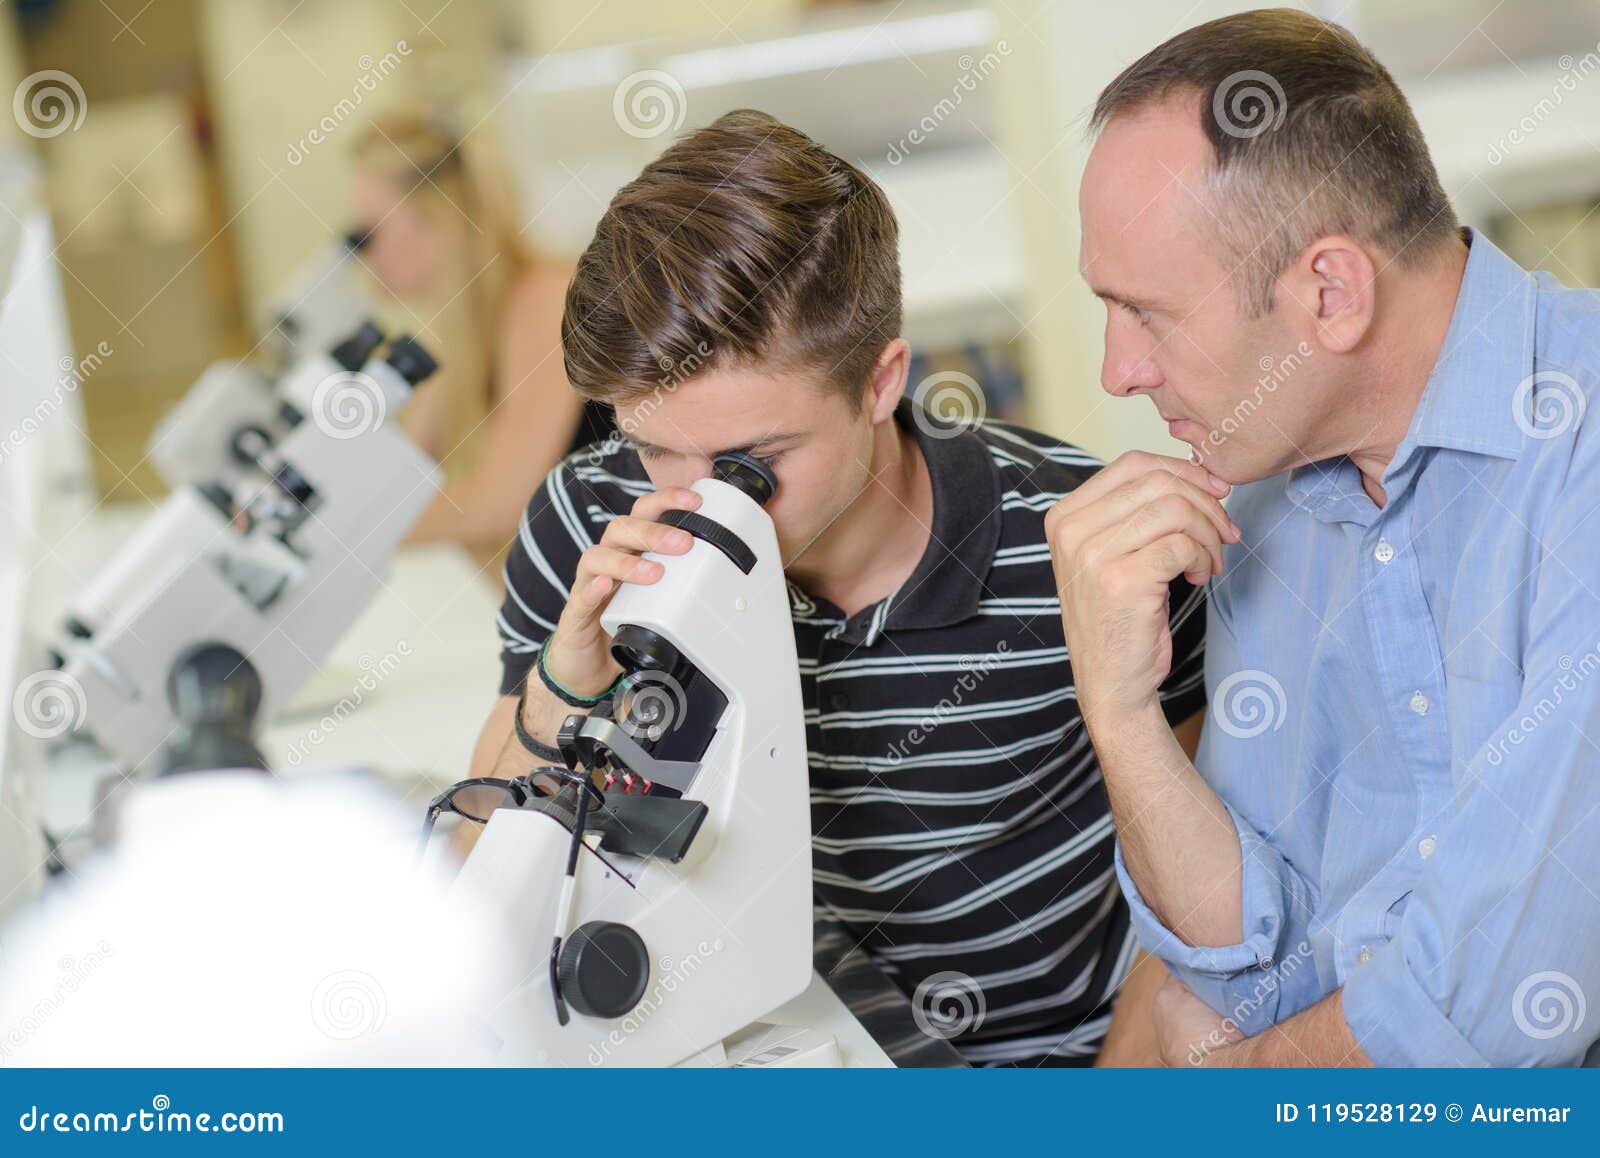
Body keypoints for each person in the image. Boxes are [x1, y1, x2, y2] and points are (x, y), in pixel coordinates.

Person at [469, 109, 1209, 1065]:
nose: (697, 506)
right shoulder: (594, 518)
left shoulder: (1081, 550)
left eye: (751, 461)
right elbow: (480, 890)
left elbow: (1191, 922)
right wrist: (564, 694)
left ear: (879, 381)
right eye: (656, 449)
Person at [1050, 7, 1600, 1066]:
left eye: (1145, 313)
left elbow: (1484, 1022)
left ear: (1331, 292)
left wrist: (1220, 1087)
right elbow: (1248, 960)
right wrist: (1117, 714)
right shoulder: (1258, 497)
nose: (1116, 372)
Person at [347, 110, 611, 561]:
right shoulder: (455, 330)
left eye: (367, 232)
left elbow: (497, 506)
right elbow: (404, 478)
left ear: (435, 220)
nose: (360, 255)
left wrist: (336, 533)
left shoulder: (546, 301)